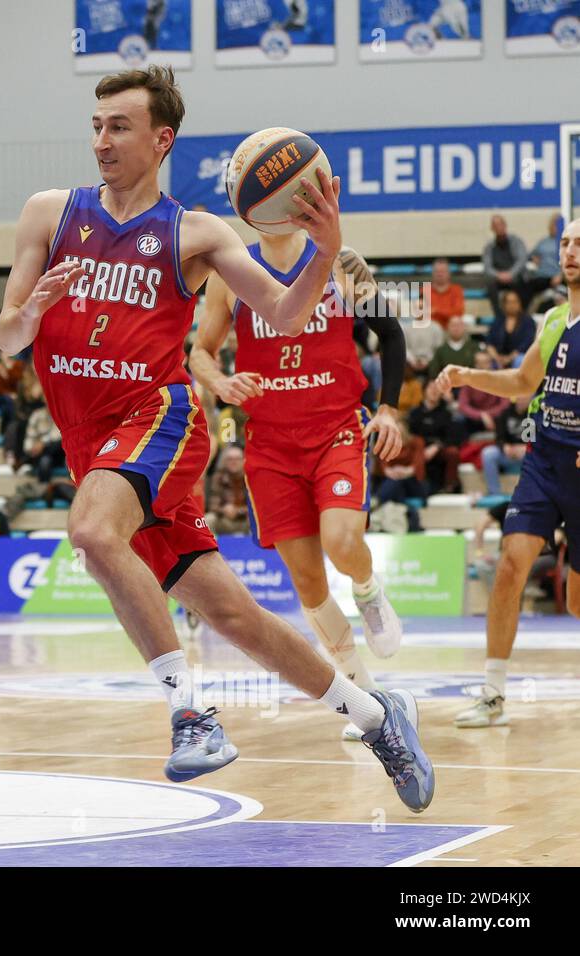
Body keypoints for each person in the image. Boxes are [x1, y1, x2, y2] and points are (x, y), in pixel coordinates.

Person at [0, 67, 432, 811]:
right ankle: (375, 715)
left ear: (161, 139)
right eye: (97, 124)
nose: (102, 139)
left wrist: (325, 251)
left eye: (120, 126)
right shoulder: (48, 213)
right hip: (90, 443)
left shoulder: (195, 232)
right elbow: (8, 340)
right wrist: (30, 311)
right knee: (234, 615)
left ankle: (189, 712)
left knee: (93, 533)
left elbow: (287, 313)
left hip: (157, 421)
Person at [192, 229, 408, 742]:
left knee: (340, 541)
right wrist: (219, 382)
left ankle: (368, 590)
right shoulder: (230, 274)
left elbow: (392, 334)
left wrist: (389, 409)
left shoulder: (340, 261)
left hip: (336, 428)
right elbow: (200, 352)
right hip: (269, 445)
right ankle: (363, 695)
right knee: (307, 582)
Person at [436, 218, 580, 727]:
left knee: (575, 599)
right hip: (543, 462)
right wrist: (467, 374)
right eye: (565, 243)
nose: (570, 251)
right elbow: (522, 381)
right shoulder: (553, 319)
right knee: (508, 568)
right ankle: (493, 693)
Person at [408, 378, 463, 492]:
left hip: (439, 447)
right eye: (431, 388)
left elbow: (453, 437)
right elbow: (410, 436)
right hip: (419, 448)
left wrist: (437, 446)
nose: (434, 391)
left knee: (453, 452)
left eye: (437, 389)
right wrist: (421, 448)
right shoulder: (415, 413)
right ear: (424, 391)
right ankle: (417, 486)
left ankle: (450, 486)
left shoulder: (446, 413)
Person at [480, 396, 532, 498]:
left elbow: (535, 439)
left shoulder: (533, 414)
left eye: (525, 398)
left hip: (527, 454)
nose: (523, 400)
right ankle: (494, 492)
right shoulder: (505, 414)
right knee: (488, 453)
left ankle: (531, 492)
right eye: (521, 397)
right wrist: (504, 446)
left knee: (539, 455)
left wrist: (525, 448)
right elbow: (499, 437)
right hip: (508, 452)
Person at [482, 215, 528, 323]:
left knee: (524, 285)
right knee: (490, 286)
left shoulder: (516, 241)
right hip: (498, 278)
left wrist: (510, 274)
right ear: (492, 228)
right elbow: (487, 267)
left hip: (515, 277)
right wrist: (498, 275)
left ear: (505, 225)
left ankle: (520, 316)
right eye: (495, 225)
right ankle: (499, 318)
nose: (499, 227)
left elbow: (522, 260)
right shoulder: (489, 246)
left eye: (500, 224)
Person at [456, 350, 510, 434]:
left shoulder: (499, 378)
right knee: (458, 418)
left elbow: (504, 404)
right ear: (475, 365)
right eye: (480, 363)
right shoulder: (469, 380)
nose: (483, 366)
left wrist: (488, 414)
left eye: (486, 362)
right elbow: (462, 405)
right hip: (475, 417)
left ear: (491, 364)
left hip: (495, 416)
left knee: (507, 415)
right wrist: (481, 415)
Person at [485, 290, 536, 369]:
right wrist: (496, 358)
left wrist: (510, 358)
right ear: (504, 304)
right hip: (499, 357)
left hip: (519, 356)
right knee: (483, 359)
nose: (512, 305)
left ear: (519, 303)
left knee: (520, 360)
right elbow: (489, 342)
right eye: (509, 302)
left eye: (514, 302)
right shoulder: (498, 321)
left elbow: (527, 343)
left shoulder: (528, 322)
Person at [203, 445, 248, 536]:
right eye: (230, 459)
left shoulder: (250, 478)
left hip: (245, 520)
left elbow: (257, 507)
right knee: (208, 519)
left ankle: (257, 548)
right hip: (225, 520)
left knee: (258, 519)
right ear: (225, 461)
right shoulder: (218, 477)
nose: (233, 462)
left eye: (237, 459)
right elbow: (212, 506)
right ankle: (212, 547)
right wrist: (224, 510)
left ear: (243, 461)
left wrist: (237, 511)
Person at [428, 314, 477, 383]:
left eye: (459, 325)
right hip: (447, 386)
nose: (456, 328)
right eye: (453, 325)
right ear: (448, 328)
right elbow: (434, 373)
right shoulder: (441, 350)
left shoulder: (473, 347)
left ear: (464, 327)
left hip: (469, 386)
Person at [426, 258, 464, 330]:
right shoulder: (425, 290)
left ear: (449, 273)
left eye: (443, 271)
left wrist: (436, 311)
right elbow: (423, 314)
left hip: (451, 329)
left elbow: (458, 313)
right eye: (437, 271)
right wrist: (446, 313)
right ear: (432, 273)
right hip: (431, 330)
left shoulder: (457, 290)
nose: (439, 274)